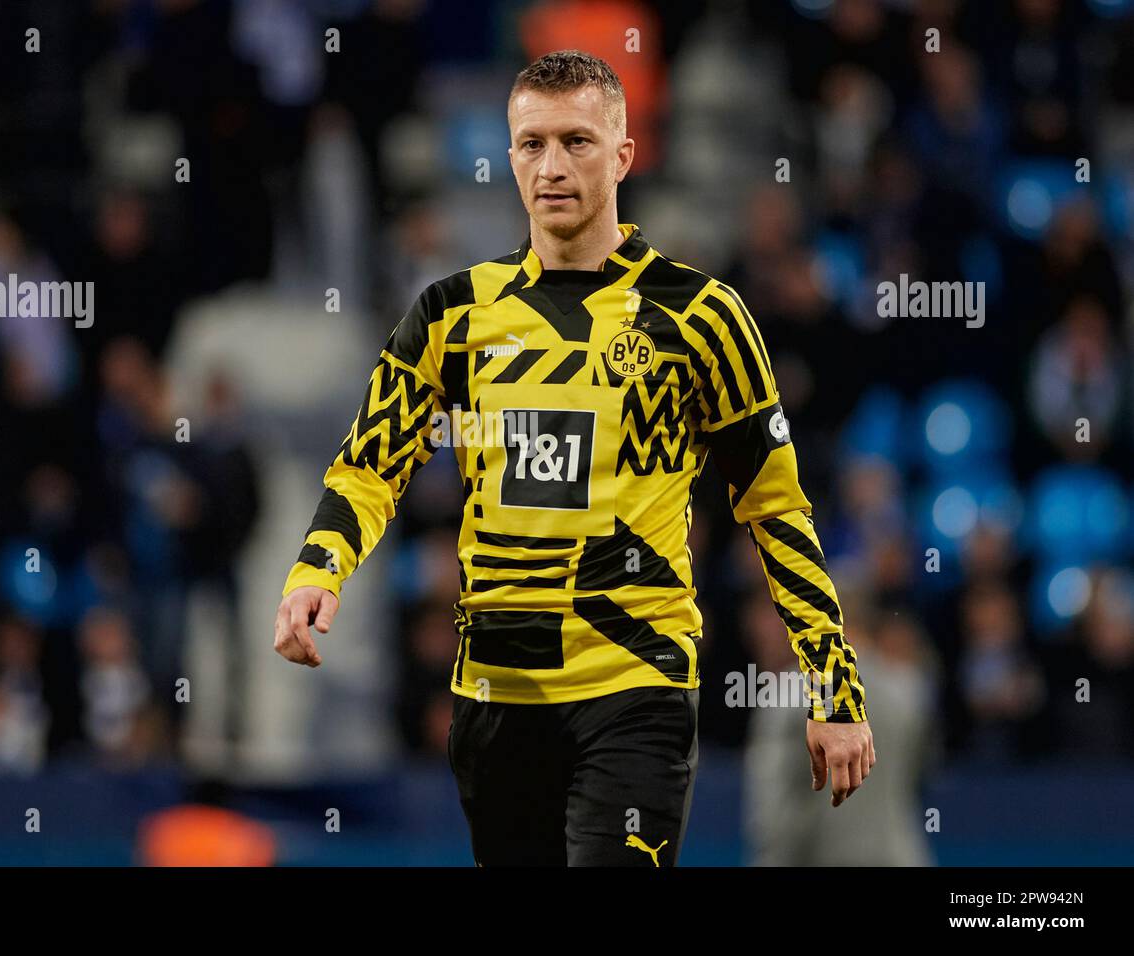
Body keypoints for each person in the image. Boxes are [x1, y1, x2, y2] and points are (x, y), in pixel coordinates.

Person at [275, 50, 874, 866]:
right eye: (532, 144)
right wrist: (318, 568)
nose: (552, 167)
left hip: (636, 686)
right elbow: (370, 465)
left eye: (578, 142)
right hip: (493, 695)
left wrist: (832, 685)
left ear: (623, 155)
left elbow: (775, 507)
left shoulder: (701, 317)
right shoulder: (452, 313)